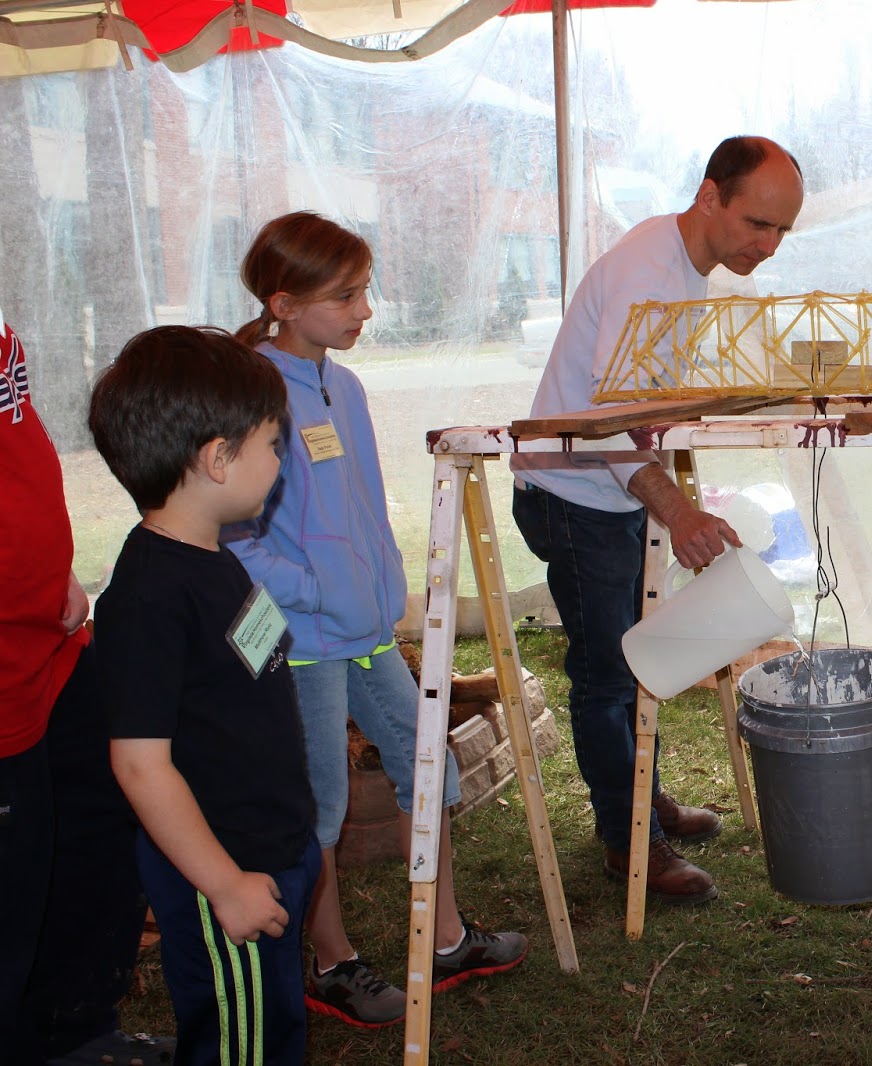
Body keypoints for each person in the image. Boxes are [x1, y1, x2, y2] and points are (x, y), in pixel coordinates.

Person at [222, 212, 525, 1029]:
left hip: (362, 635)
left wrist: (379, 584)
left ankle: (447, 937)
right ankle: (332, 962)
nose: (365, 311)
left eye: (365, 291)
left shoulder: (344, 385)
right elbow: (233, 534)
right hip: (303, 643)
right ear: (283, 302)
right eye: (347, 296)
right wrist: (318, 589)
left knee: (429, 768)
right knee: (317, 806)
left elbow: (353, 507)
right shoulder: (246, 389)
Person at [510, 135, 805, 905]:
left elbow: (643, 410)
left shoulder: (685, 266)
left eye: (781, 232)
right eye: (757, 224)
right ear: (710, 196)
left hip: (613, 492)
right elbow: (606, 420)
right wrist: (676, 509)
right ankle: (629, 838)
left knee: (636, 655)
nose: (767, 247)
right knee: (608, 675)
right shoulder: (651, 272)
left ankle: (644, 798)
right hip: (572, 496)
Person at [88, 325, 318, 1064]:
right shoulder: (150, 596)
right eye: (273, 444)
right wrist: (224, 885)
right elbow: (140, 765)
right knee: (240, 1043)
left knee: (271, 1024)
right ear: (219, 459)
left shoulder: (213, 556)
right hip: (226, 868)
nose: (280, 462)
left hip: (266, 851)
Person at [1, 320, 171, 1066]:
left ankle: (74, 1031)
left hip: (51, 639)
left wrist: (46, 572)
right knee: (14, 889)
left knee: (93, 842)